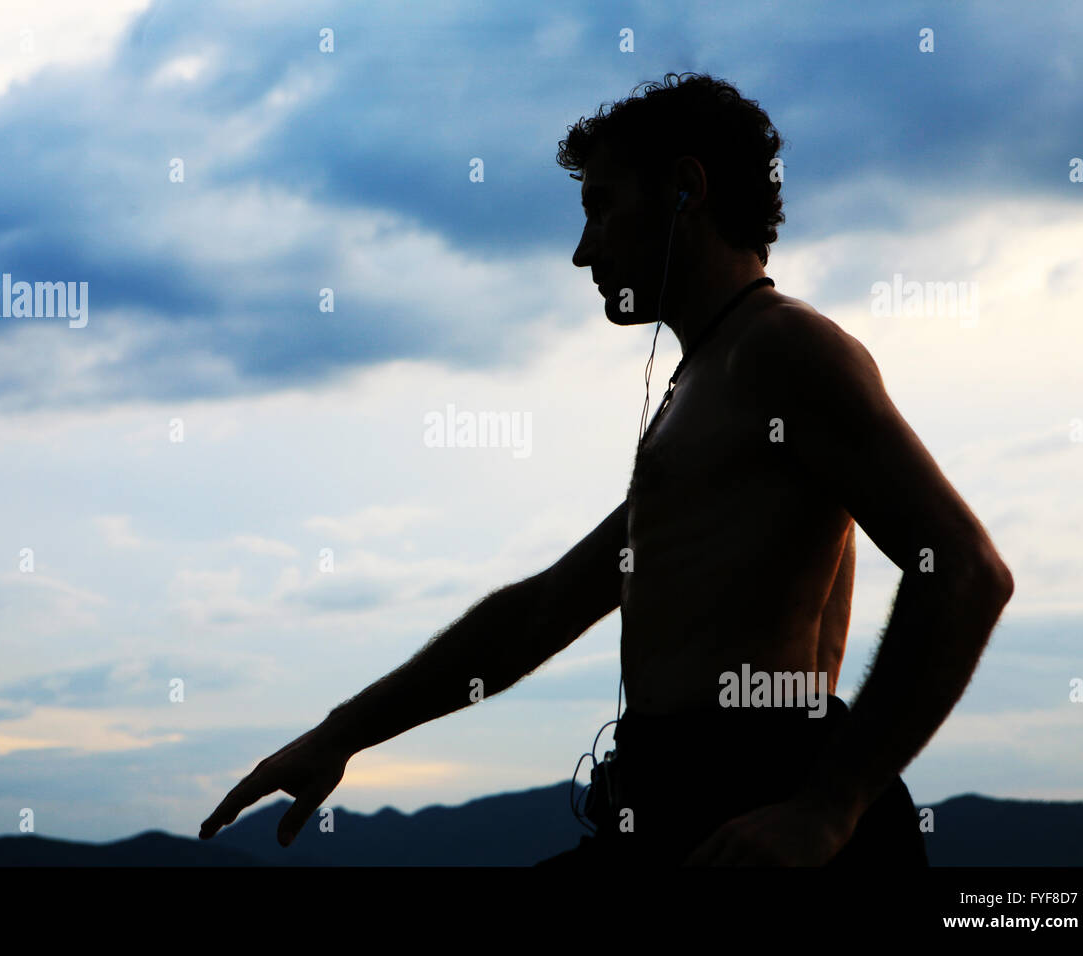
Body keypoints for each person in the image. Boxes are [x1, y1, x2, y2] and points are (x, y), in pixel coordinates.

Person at [198, 73, 1013, 866]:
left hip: (752, 807)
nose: (584, 251)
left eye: (601, 208)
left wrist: (827, 809)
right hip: (673, 810)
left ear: (686, 189)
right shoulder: (709, 378)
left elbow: (967, 571)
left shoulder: (782, 350)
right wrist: (341, 733)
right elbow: (546, 607)